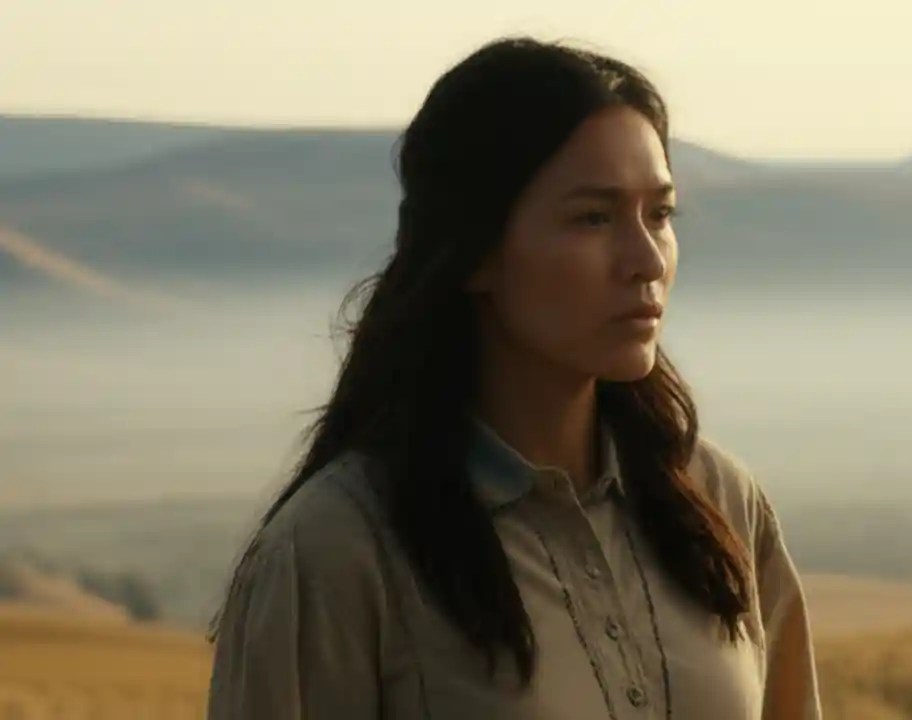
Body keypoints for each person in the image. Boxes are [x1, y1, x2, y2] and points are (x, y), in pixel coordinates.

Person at [206, 36, 822, 720]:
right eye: (594, 218)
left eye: (661, 215)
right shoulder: (335, 552)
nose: (647, 259)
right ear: (474, 255)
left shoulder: (720, 507)